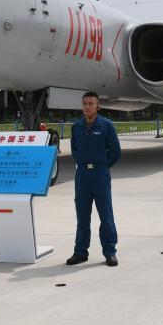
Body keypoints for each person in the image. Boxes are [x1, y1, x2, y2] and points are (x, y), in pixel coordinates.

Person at [66, 91, 121, 266]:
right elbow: (74, 150)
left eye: (91, 104)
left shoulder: (106, 125)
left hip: (100, 175)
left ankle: (110, 252)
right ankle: (80, 252)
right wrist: (84, 163)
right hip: (82, 175)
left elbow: (116, 152)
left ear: (98, 106)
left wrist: (103, 166)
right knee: (82, 215)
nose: (87, 107)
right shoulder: (76, 127)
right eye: (85, 104)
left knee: (106, 214)